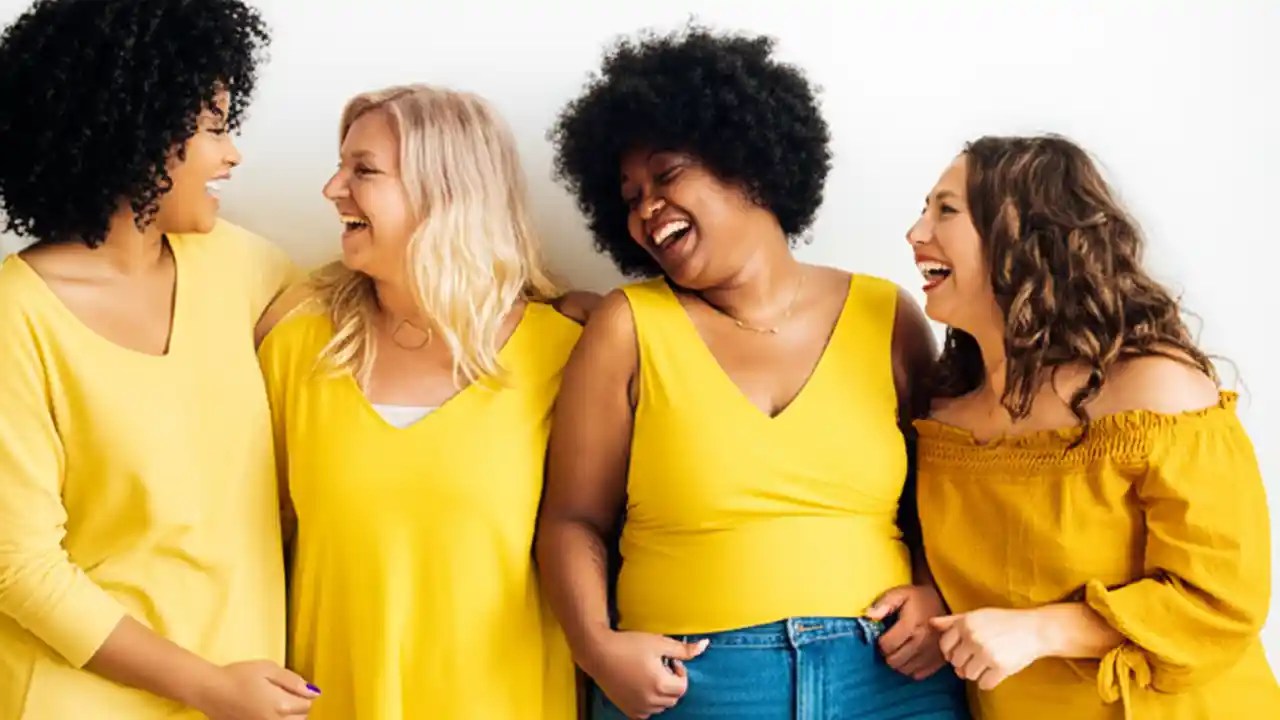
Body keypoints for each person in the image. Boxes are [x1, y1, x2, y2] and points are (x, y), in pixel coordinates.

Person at [536, 26, 967, 719]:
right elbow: (572, 519)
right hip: (694, 687)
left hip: (890, 681)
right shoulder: (627, 327)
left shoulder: (886, 316)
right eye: (630, 195)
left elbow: (941, 503)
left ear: (751, 165)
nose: (645, 208)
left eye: (668, 174)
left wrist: (932, 592)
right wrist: (595, 646)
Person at [0, 1, 317, 718]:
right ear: (135, 132)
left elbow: (378, 305)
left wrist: (548, 306)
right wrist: (208, 686)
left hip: (240, 697)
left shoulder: (239, 265)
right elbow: (19, 568)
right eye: (213, 128)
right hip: (80, 700)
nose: (231, 154)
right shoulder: (15, 317)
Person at [907, 134, 1279, 718]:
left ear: (1027, 235)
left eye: (945, 210)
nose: (916, 233)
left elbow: (1223, 599)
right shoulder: (942, 415)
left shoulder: (1156, 390)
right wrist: (927, 596)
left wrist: (1042, 631)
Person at [256, 84, 589, 719]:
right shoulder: (297, 348)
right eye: (340, 164)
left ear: (445, 193)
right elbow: (256, 546)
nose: (332, 188)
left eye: (364, 170)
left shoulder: (565, 356)